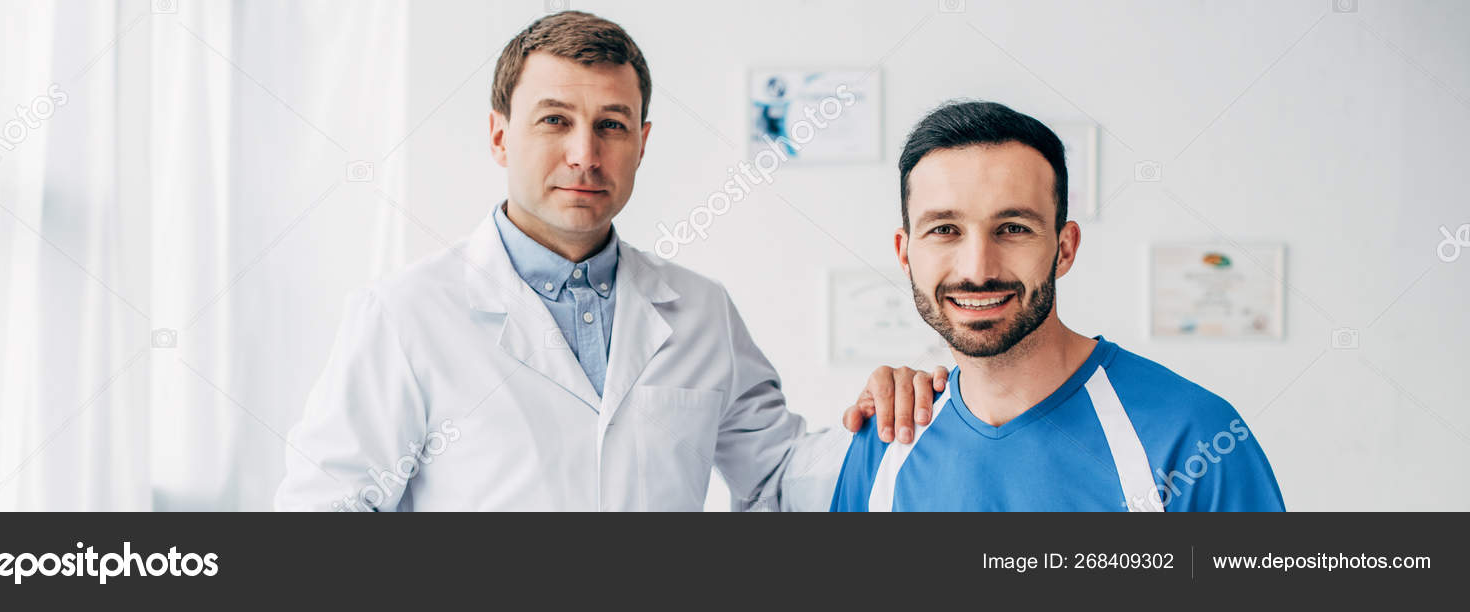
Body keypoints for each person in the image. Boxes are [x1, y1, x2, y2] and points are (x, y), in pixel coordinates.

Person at [275, 11, 942, 511]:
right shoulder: (405, 314)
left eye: (612, 124)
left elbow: (777, 475)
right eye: (554, 120)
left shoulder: (701, 309)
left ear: (643, 143)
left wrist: (895, 423)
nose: (585, 154)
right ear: (500, 136)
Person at [832, 101, 1284, 511]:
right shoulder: (886, 439)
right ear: (905, 254)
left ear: (1064, 249)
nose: (977, 269)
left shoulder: (1194, 438)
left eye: (1012, 228)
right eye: (945, 229)